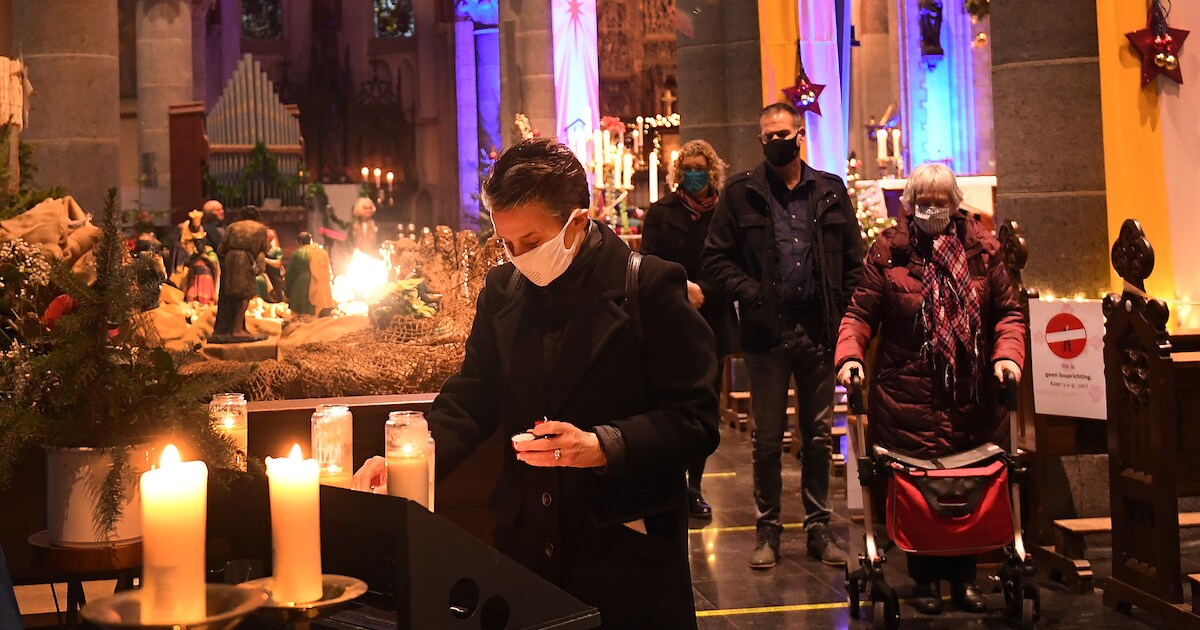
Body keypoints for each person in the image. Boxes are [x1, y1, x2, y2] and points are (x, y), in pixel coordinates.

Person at [354, 138, 719, 628]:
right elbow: (473, 395)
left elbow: (694, 419)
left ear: (577, 224)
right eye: (505, 242)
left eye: (530, 242)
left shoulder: (648, 287)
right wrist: (412, 455)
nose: (517, 256)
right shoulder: (503, 289)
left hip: (624, 549)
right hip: (529, 549)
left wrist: (603, 445)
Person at [834, 162, 1026, 615]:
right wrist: (849, 355)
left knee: (964, 488)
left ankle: (962, 581)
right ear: (909, 203)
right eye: (924, 199)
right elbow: (861, 313)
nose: (932, 208)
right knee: (918, 485)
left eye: (941, 200)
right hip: (906, 394)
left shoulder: (983, 251)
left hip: (970, 393)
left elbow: (1008, 315)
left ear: (955, 204)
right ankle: (922, 581)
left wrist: (1006, 355)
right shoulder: (890, 252)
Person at [703, 101, 863, 570]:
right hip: (766, 335)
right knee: (767, 438)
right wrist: (752, 294)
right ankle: (767, 529)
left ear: (800, 136)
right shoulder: (741, 195)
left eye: (782, 134)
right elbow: (715, 260)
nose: (775, 141)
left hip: (817, 332)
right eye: (767, 136)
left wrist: (846, 314)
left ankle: (818, 528)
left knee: (816, 437)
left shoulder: (830, 193)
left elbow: (854, 261)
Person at [641, 139, 737, 519]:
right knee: (668, 406)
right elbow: (647, 261)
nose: (694, 174)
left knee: (703, 409)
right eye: (688, 168)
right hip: (671, 318)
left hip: (713, 318)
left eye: (701, 167)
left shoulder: (726, 212)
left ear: (712, 171)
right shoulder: (662, 212)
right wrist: (682, 289)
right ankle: (671, 485)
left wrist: (706, 291)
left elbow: (735, 261)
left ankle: (694, 487)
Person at [211, 206, 271, 343]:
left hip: (230, 259)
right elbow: (265, 248)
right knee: (245, 294)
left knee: (230, 295)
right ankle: (237, 329)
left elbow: (221, 248)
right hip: (246, 259)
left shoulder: (232, 226)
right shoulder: (260, 228)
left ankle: (231, 327)